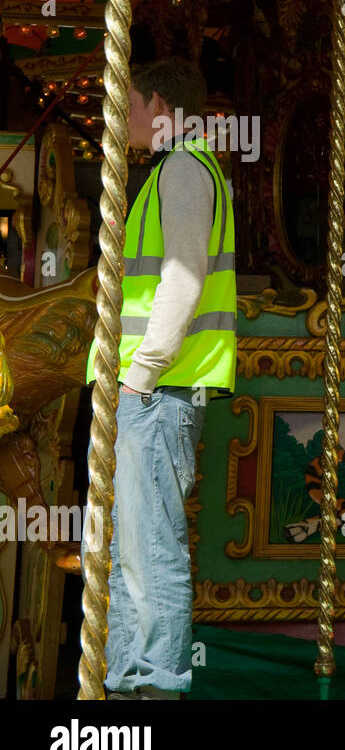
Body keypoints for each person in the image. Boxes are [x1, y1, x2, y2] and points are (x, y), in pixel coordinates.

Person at [85, 56, 236, 698]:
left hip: (161, 389)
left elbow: (183, 276)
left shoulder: (182, 169)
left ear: (160, 107)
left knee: (151, 553)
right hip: (158, 389)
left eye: (129, 103)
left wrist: (141, 372)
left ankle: (152, 689)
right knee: (134, 555)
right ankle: (128, 682)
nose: (119, 117)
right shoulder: (179, 170)